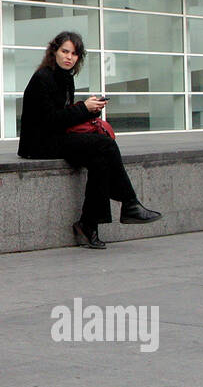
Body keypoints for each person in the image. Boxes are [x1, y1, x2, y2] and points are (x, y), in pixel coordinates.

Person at [18, 31, 161, 249]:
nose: (69, 57)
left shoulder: (66, 79)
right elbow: (50, 121)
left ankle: (88, 224)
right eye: (65, 51)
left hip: (58, 138)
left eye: (74, 54)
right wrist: (84, 108)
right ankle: (129, 202)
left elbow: (65, 118)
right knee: (105, 144)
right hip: (39, 144)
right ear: (54, 52)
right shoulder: (43, 78)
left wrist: (90, 110)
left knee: (99, 159)